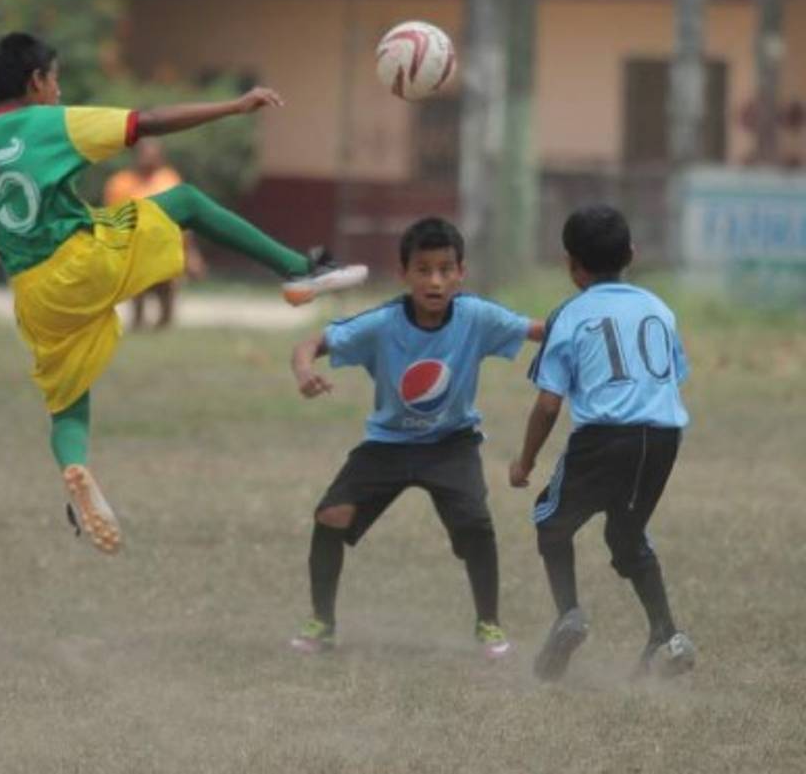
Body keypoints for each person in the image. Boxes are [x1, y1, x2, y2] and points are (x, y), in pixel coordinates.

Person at [0, 32, 367, 555]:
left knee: (67, 406)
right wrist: (234, 106)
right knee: (187, 201)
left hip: (33, 293)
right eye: (54, 80)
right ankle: (296, 269)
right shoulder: (51, 121)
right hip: (81, 261)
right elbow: (145, 122)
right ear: (36, 81)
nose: (58, 91)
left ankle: (76, 469)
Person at [288, 217, 544, 658]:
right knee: (331, 515)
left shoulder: (477, 317)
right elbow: (309, 344)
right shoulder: (383, 324)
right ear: (404, 273)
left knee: (476, 525)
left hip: (452, 443)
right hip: (388, 445)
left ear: (461, 272)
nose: (435, 281)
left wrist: (587, 330)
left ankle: (489, 624)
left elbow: (537, 330)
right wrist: (305, 372)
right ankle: (322, 624)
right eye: (423, 270)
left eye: (446, 269)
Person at [509, 204, 696, 682]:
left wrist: (524, 461)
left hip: (604, 437)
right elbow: (673, 376)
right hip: (662, 437)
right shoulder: (659, 309)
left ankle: (569, 614)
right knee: (626, 535)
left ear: (571, 265)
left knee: (551, 522)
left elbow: (549, 405)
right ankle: (666, 636)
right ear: (631, 253)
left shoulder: (569, 316)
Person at [103, 138, 207, 329]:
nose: (149, 159)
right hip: (135, 253)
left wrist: (191, 254)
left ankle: (164, 332)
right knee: (137, 298)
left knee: (167, 303)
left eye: (154, 154)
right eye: (145, 154)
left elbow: (185, 219)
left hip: (166, 252)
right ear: (136, 156)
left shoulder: (170, 179)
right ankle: (139, 326)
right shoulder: (120, 183)